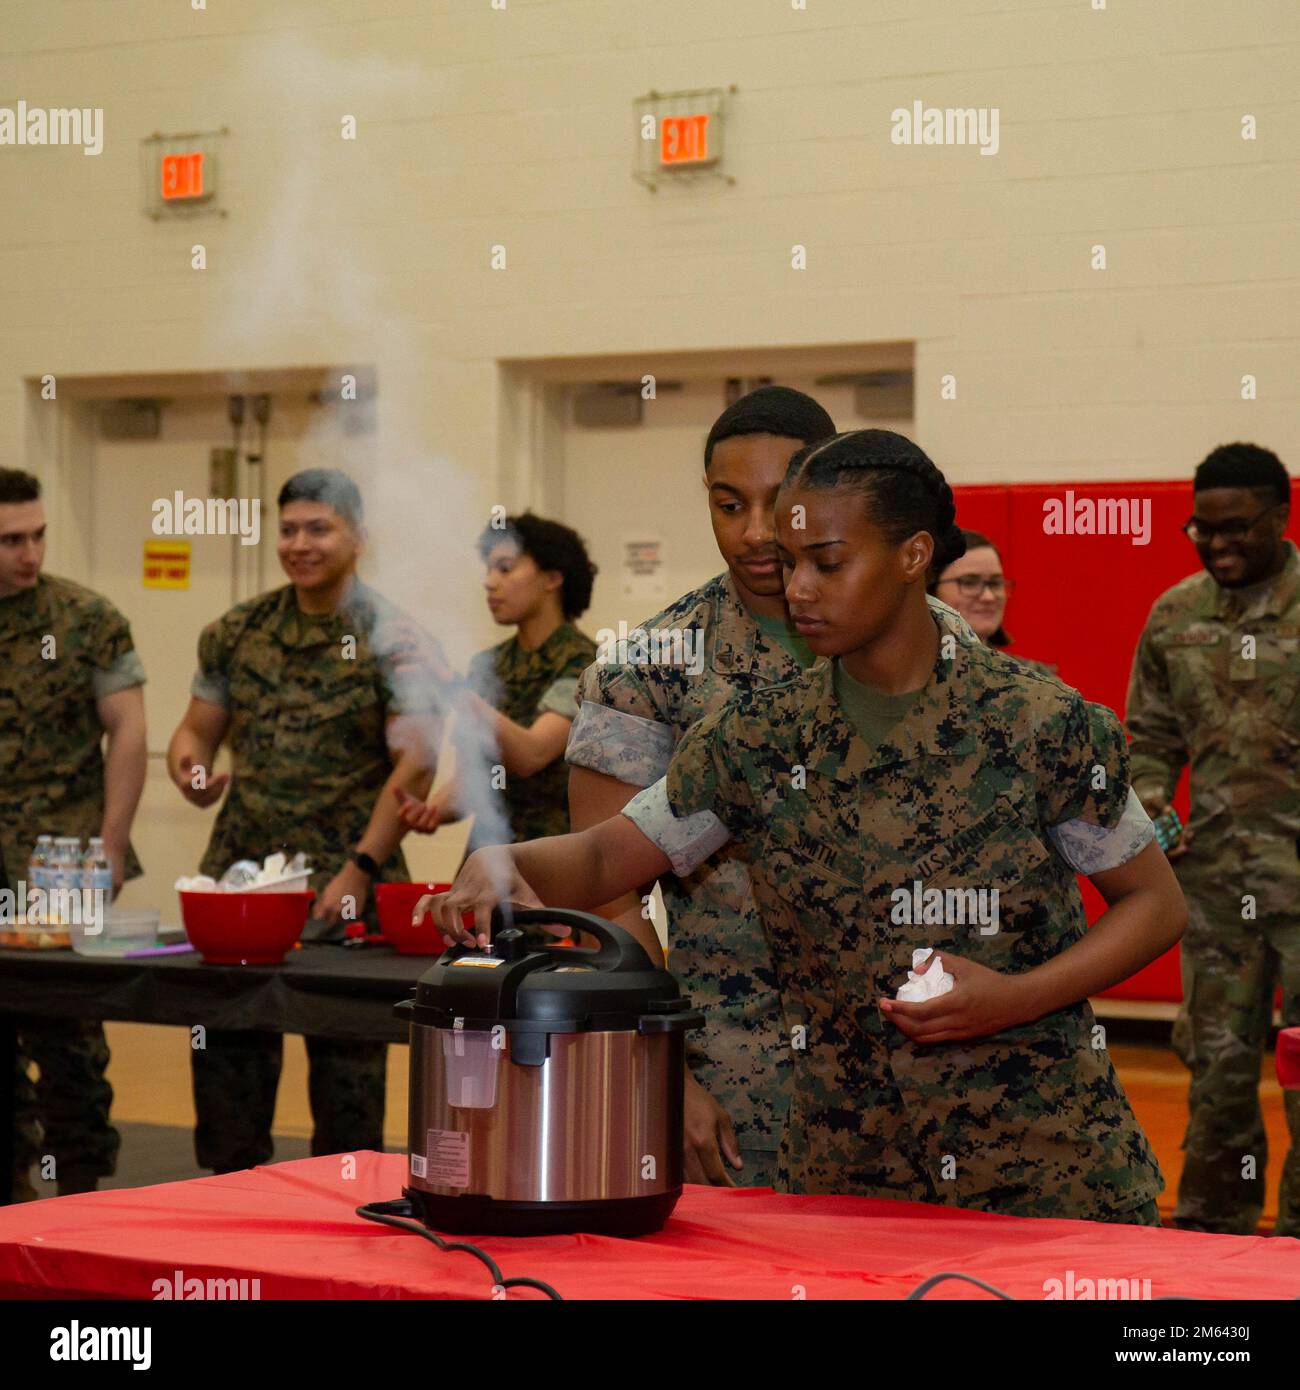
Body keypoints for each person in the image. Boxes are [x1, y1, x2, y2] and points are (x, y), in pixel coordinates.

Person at [420, 429, 1186, 1222]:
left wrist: (1016, 998)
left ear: (914, 555)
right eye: (790, 566)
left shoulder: (1038, 722)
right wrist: (511, 863)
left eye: (828, 563)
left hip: (1043, 1168)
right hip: (849, 1178)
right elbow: (607, 856)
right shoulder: (756, 737)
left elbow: (1155, 906)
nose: (799, 590)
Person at [565, 388, 980, 1191]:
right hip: (740, 1065)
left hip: (923, 1049)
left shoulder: (928, 635)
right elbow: (606, 897)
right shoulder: (646, 669)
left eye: (779, 501)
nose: (756, 531)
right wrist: (667, 1071)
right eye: (728, 504)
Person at [167, 468, 441, 1173]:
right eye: (288, 529)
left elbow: (415, 764)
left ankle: (341, 1254)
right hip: (244, 890)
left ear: (357, 538)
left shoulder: (395, 637)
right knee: (230, 1079)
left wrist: (361, 867)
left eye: (319, 528)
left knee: (347, 1100)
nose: (299, 544)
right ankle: (232, 1230)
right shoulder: (237, 631)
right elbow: (195, 732)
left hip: (346, 888)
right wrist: (193, 770)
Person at [1125, 441, 1299, 1237]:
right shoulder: (1175, 615)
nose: (1221, 544)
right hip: (1218, 890)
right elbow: (1150, 739)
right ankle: (1211, 1245)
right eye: (1205, 529)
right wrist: (1155, 803)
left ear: (1281, 515)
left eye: (1239, 529)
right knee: (1218, 1079)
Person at [0, 467, 147, 1200]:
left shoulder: (85, 618)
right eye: (9, 541)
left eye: (38, 536)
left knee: (70, 1046)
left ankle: (83, 1198)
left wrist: (111, 844)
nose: (29, 554)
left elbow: (127, 728)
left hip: (58, 866)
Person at [395, 512, 597, 849]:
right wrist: (432, 810)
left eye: (505, 568)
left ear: (551, 578)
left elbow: (530, 754)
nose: (489, 582)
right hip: (487, 858)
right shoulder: (489, 663)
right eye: (489, 570)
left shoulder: (586, 663)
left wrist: (450, 685)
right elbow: (472, 776)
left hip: (551, 860)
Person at [928, 528, 1055, 675]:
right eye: (969, 582)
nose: (988, 597)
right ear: (931, 590)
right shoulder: (906, 677)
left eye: (995, 583)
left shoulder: (1034, 677)